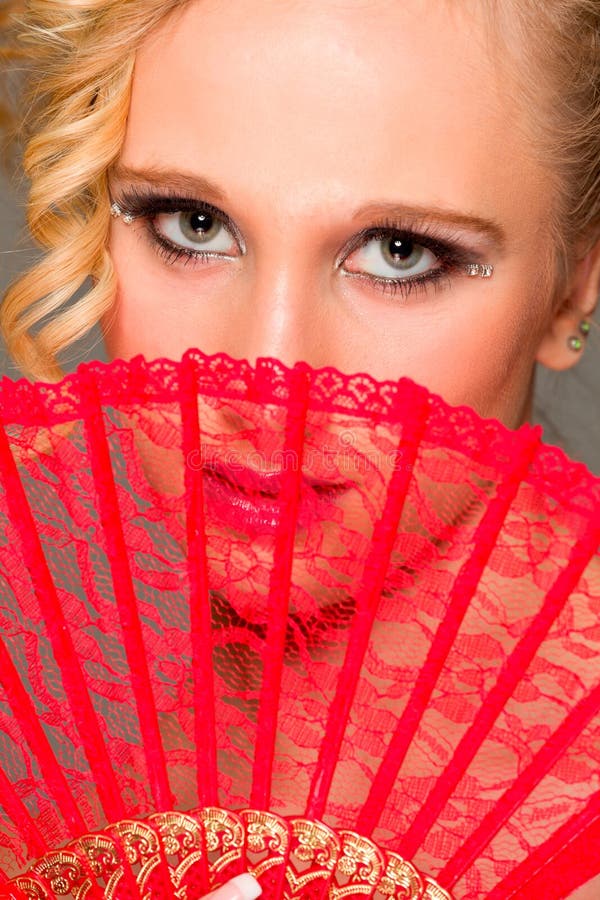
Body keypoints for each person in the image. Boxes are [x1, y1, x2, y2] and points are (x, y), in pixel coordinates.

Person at [0, 1, 599, 898]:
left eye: (400, 254)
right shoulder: (60, 705)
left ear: (573, 283)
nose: (266, 380)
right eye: (191, 225)